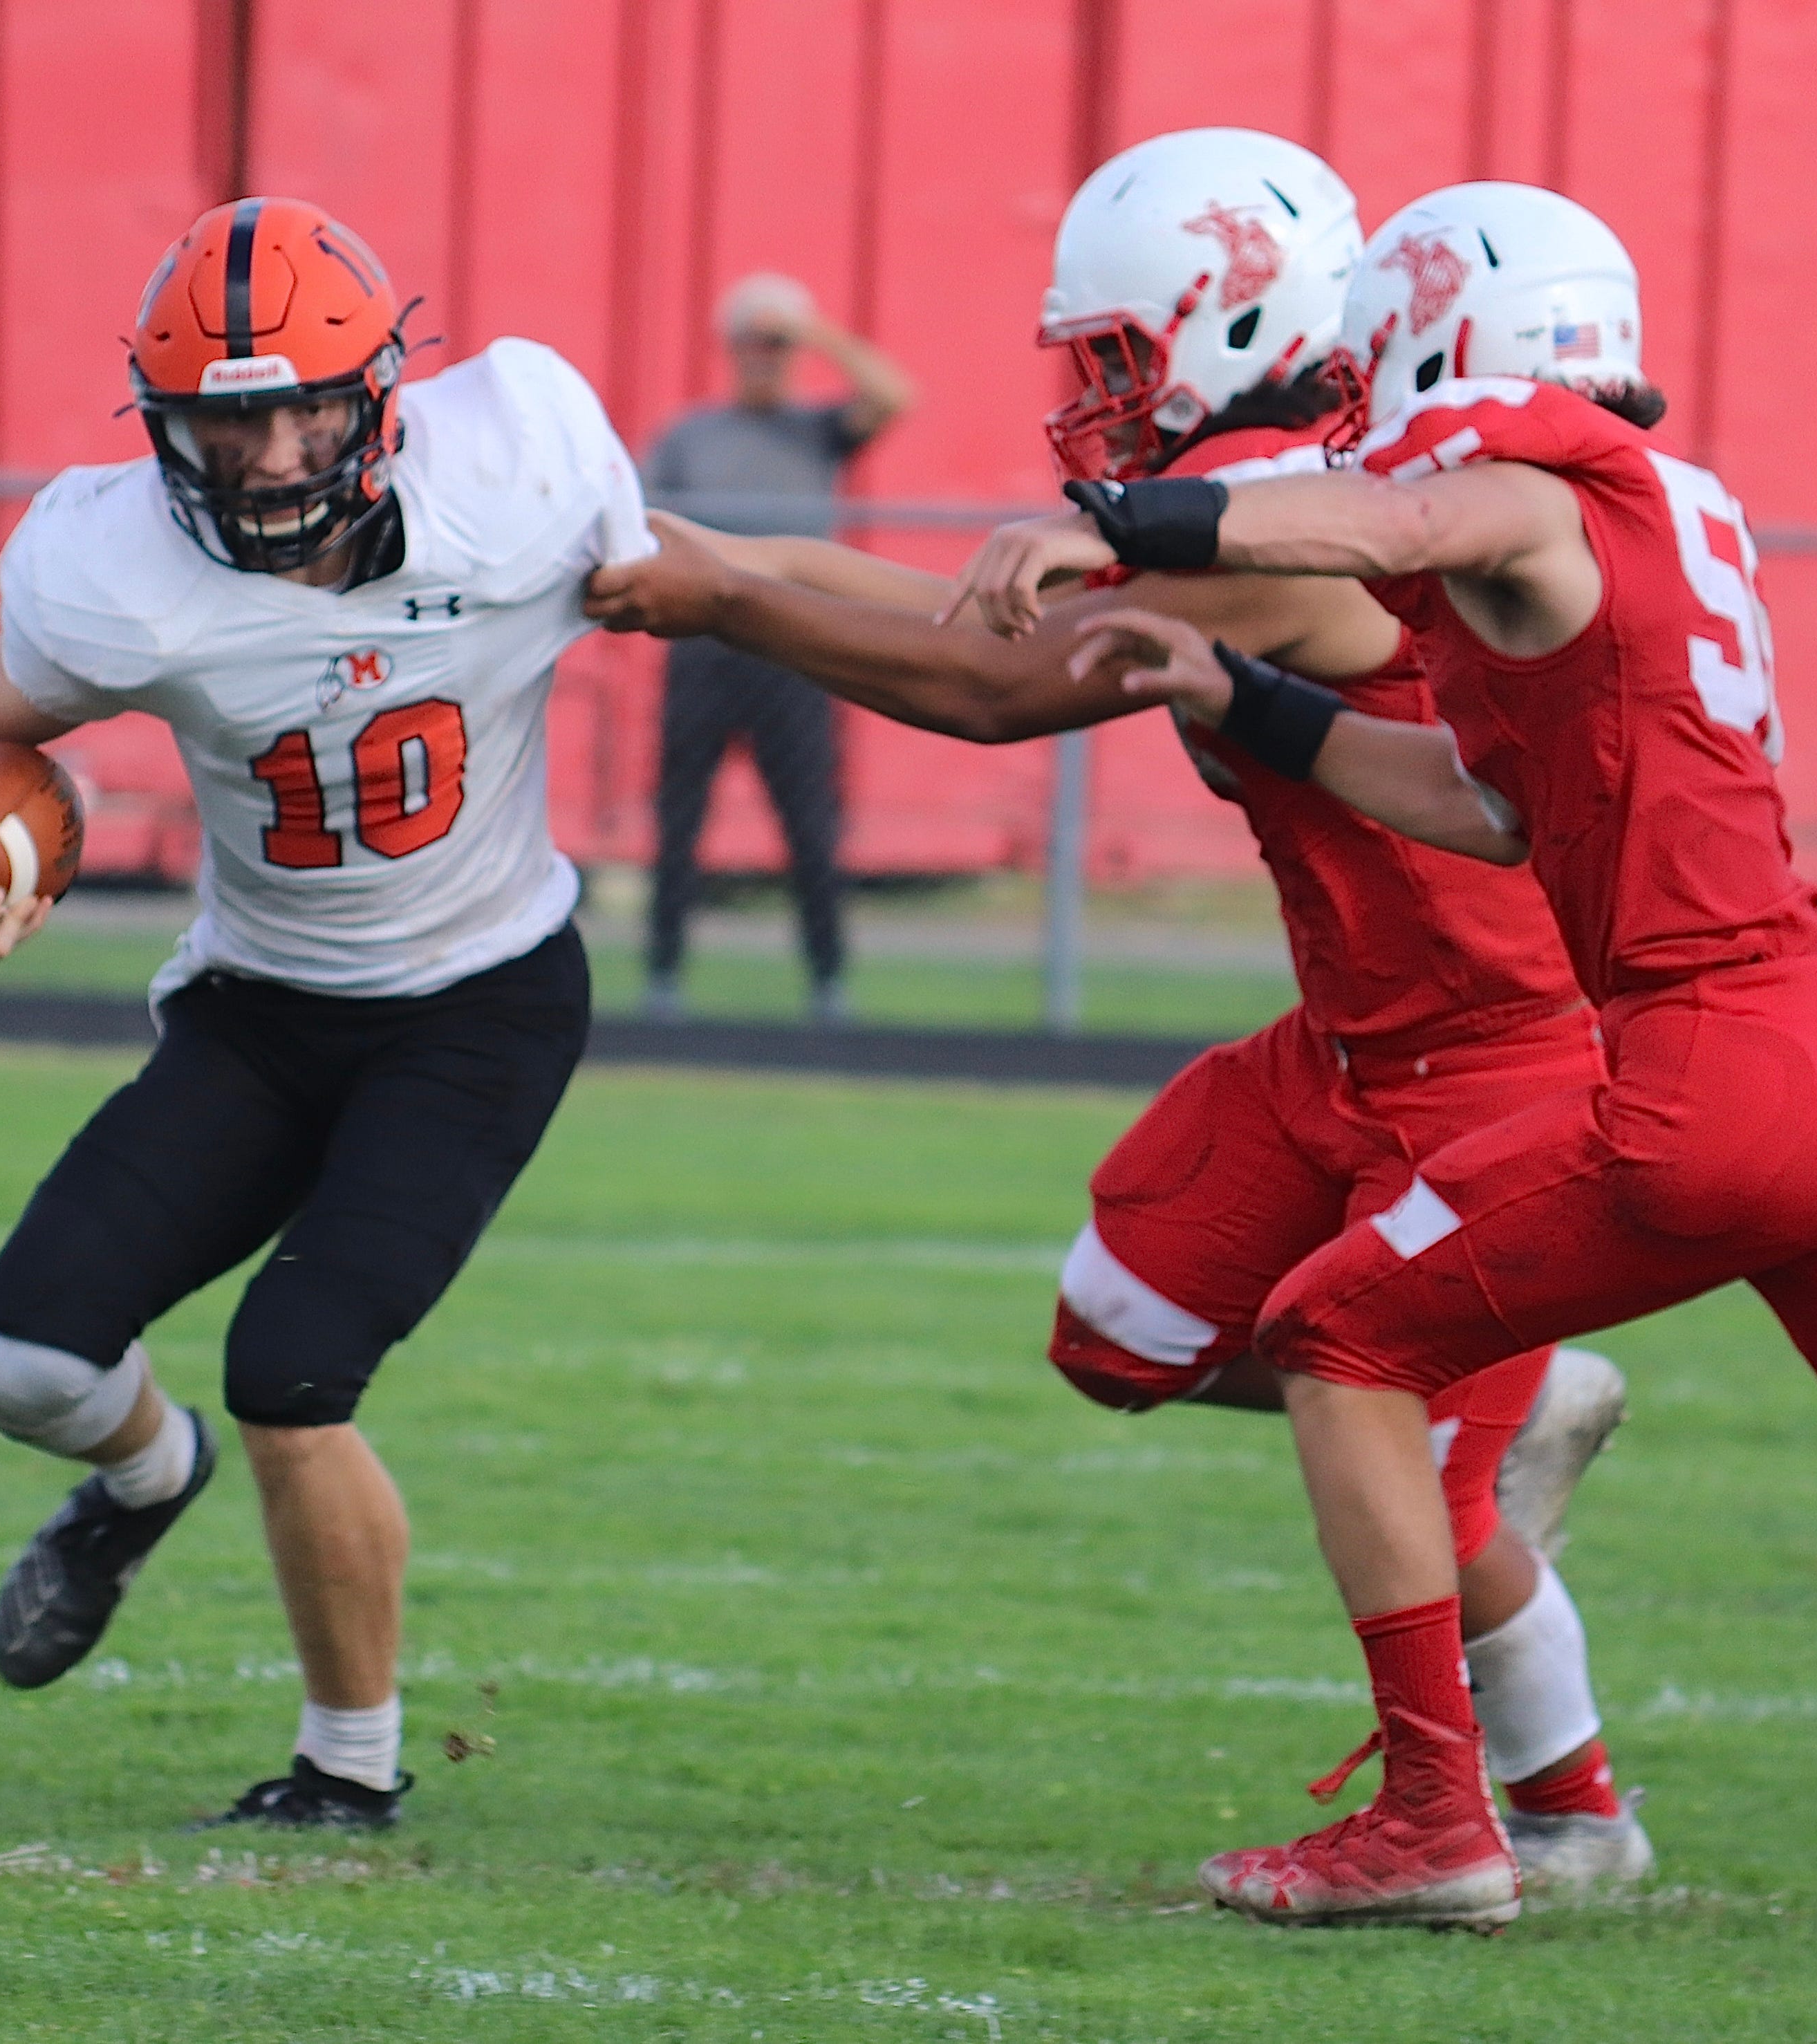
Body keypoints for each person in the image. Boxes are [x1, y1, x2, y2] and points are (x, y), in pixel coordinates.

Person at [942, 178, 1817, 1930]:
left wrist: (1118, 519)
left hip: (1718, 1082)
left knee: (1330, 1329)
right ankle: (1472, 1807)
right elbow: (1486, 809)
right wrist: (1235, 698)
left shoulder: (1518, 487)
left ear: (1446, 338)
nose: (1361, 397)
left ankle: (1433, 1823)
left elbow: (1394, 519)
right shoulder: (1651, 506)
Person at [588, 131, 1653, 1893]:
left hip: (1499, 1062)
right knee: (1119, 1329)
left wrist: (725, 602)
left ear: (1228, 323)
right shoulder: (1233, 481)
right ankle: (1490, 1456)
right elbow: (975, 608)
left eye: (1109, 356)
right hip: (1350, 1039)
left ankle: (1527, 1816)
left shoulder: (1290, 503)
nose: (1088, 399)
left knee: (1377, 1426)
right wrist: (724, 548)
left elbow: (988, 686)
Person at [0, 198, 653, 1829]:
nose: (273, 452)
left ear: (382, 400)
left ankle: (346, 1772)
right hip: (263, 1007)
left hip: (478, 1001)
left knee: (292, 1366)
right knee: (24, 1364)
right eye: (227, 417)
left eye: (302, 408)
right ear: (166, 427)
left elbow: (699, 587)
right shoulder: (121, 579)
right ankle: (148, 1477)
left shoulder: (521, 478)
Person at [640, 273, 915, 1025]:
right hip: (703, 648)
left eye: (776, 344)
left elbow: (895, 396)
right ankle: (662, 978)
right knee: (678, 820)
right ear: (729, 350)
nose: (765, 356)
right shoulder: (690, 436)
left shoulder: (817, 430)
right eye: (753, 342)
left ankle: (828, 982)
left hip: (796, 649)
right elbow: (642, 522)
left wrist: (813, 331)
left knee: (810, 822)